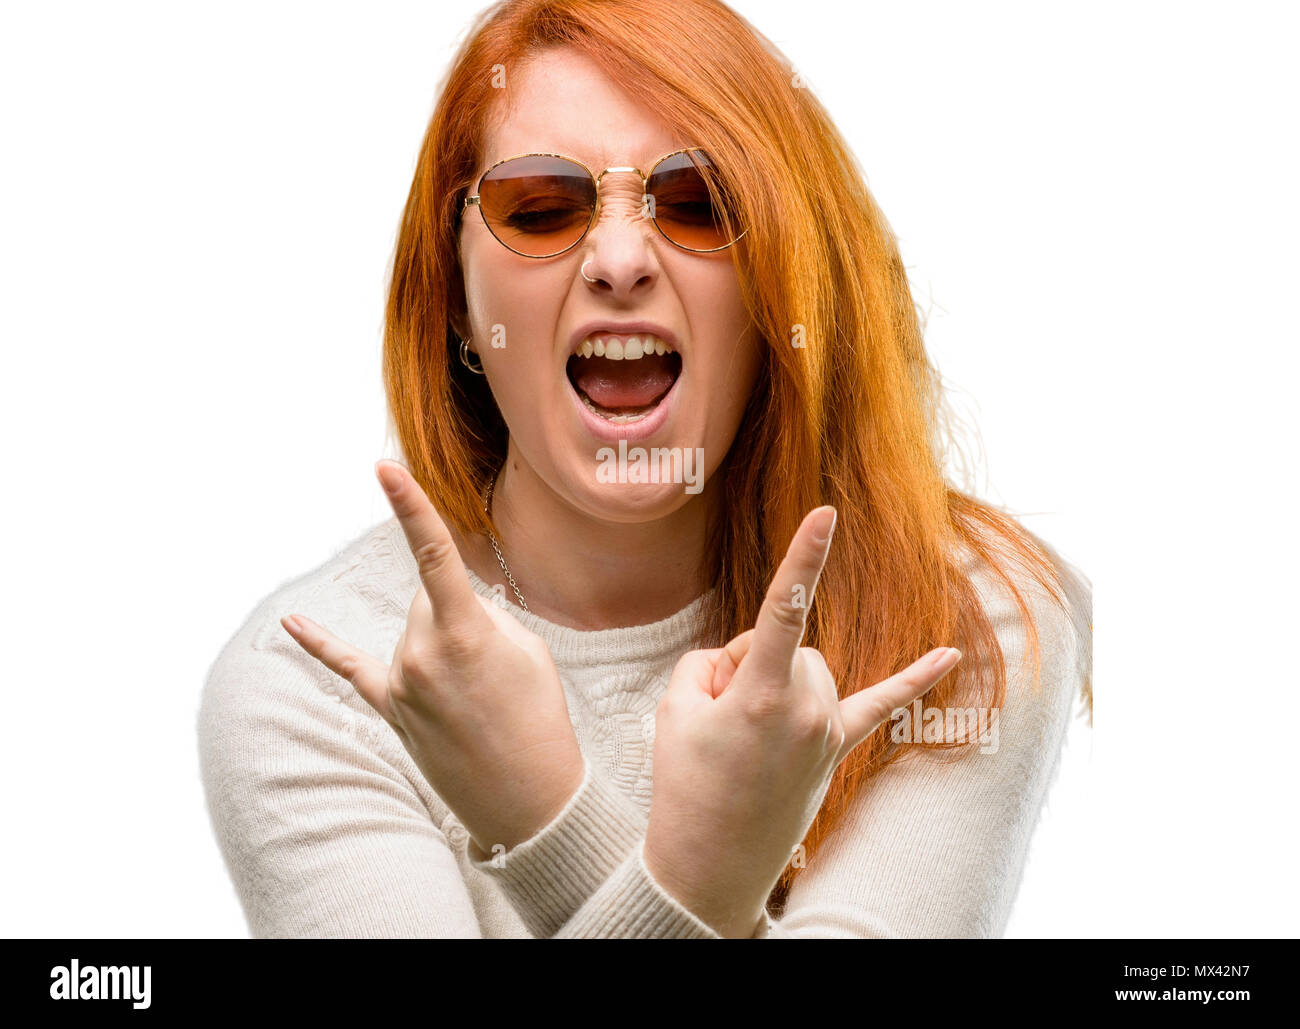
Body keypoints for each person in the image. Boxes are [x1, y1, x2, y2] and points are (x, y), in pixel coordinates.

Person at [198, 0, 1092, 939]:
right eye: (538, 209)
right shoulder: (316, 684)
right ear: (455, 304)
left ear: (785, 276)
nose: (620, 259)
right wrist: (699, 875)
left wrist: (542, 816)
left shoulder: (967, 615)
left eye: (702, 203)